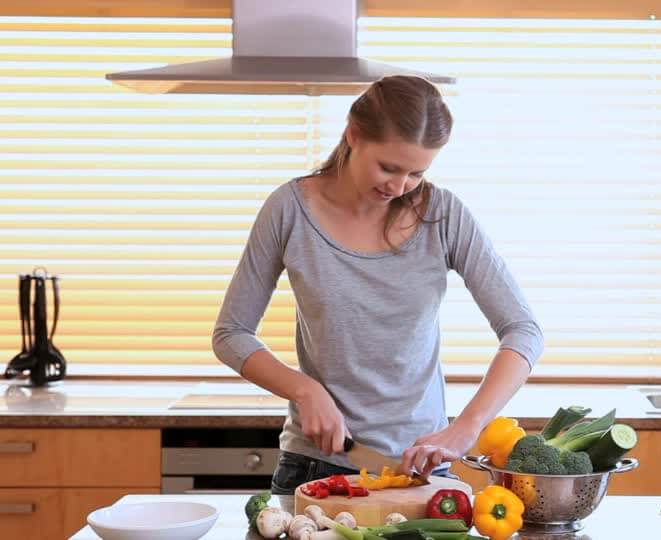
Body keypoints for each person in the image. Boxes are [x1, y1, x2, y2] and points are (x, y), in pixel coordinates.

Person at [212, 75, 543, 494]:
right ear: (353, 134)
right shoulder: (289, 210)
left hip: (421, 470)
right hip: (316, 467)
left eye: (415, 173)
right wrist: (304, 389)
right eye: (388, 167)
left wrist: (466, 427)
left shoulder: (443, 216)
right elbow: (231, 334)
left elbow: (524, 331)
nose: (399, 186)